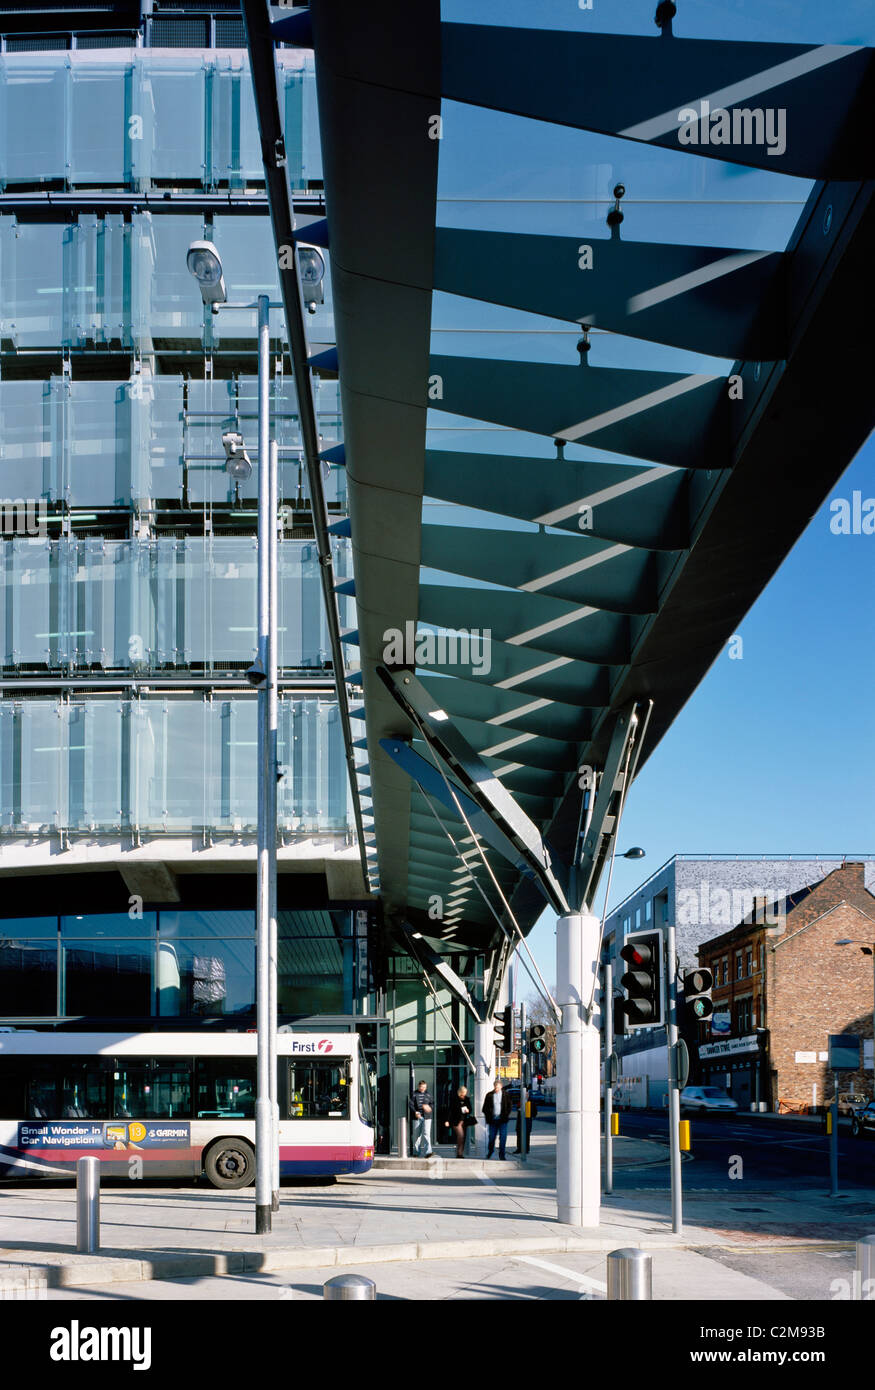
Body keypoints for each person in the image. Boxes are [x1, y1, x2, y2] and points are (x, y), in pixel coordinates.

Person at [482, 1078, 513, 1159]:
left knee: (503, 1137)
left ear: (501, 1087)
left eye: (498, 1087)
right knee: (491, 1137)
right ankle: (490, 1151)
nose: (496, 1089)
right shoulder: (489, 1095)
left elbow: (510, 1106)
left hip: (503, 1120)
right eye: (495, 1087)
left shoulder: (506, 1095)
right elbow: (484, 1108)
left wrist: (506, 1114)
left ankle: (502, 1154)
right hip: (493, 1120)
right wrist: (489, 1116)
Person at [445, 1085, 473, 1158]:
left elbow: (470, 1109)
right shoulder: (454, 1099)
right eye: (462, 1092)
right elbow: (450, 1110)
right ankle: (459, 1153)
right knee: (461, 1136)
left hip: (464, 1121)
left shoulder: (467, 1099)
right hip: (456, 1121)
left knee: (463, 1137)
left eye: (465, 1092)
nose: (464, 1094)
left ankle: (460, 1153)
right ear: (460, 1092)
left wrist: (468, 1110)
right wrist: (447, 1120)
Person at [411, 1079, 434, 1156]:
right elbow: (411, 1104)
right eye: (421, 1087)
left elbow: (432, 1104)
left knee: (426, 1134)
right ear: (418, 1086)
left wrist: (429, 1108)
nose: (423, 1088)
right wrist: (415, 1112)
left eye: (424, 1087)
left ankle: (428, 1152)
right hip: (417, 1117)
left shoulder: (428, 1095)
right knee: (416, 1135)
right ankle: (416, 1152)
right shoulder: (414, 1094)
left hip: (427, 1117)